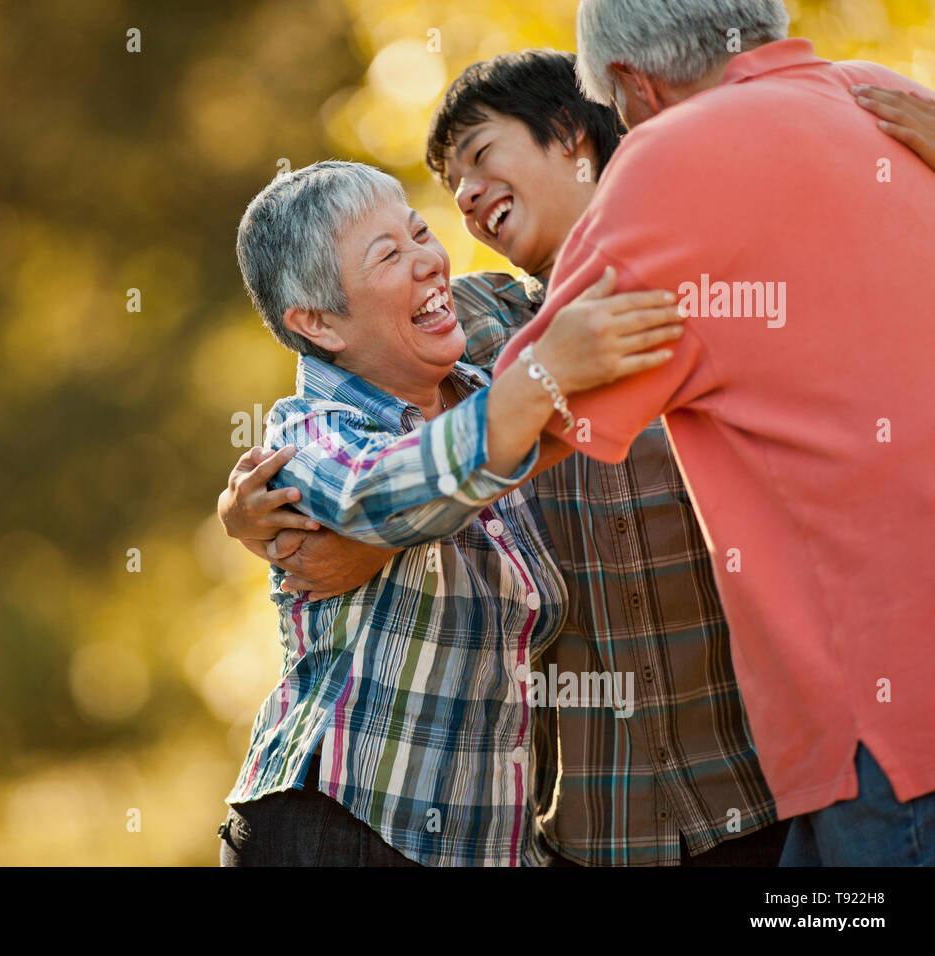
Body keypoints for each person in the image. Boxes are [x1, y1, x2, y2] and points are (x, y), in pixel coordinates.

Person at [222, 50, 789, 866]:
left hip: (755, 791)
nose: (460, 204)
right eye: (448, 188)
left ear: (574, 139)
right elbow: (342, 406)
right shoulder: (482, 336)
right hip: (582, 830)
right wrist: (257, 516)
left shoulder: (730, 294)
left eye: (481, 155)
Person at [487, 0, 935, 866]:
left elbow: (524, 413)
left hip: (886, 733)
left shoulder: (673, 154)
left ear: (632, 86)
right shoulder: (887, 100)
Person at [217, 160, 684, 866]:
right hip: (335, 832)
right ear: (317, 322)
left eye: (418, 234)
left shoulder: (483, 401)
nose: (429, 261)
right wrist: (537, 382)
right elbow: (385, 497)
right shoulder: (306, 435)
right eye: (389, 255)